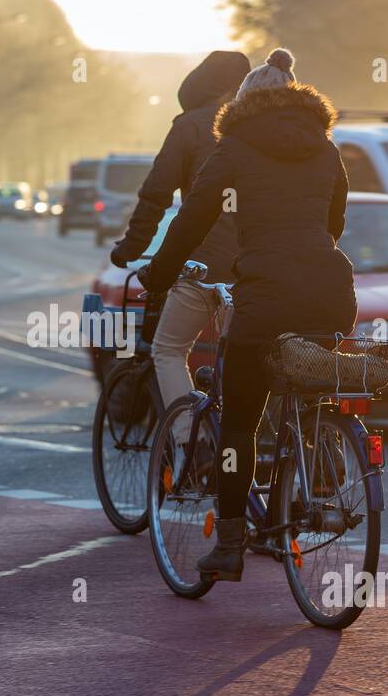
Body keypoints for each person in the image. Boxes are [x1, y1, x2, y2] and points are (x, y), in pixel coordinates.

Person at [139, 49, 357, 582]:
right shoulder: (325, 148)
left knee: (240, 420)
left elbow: (192, 219)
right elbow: (336, 222)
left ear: (242, 102)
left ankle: (231, 543)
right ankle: (314, 473)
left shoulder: (234, 148)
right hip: (330, 289)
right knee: (302, 378)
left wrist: (159, 274)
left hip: (264, 295)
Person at [108, 50, 251, 407]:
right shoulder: (263, 128)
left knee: (169, 349)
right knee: (250, 353)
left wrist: (130, 247)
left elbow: (157, 193)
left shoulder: (190, 126)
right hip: (261, 265)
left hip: (207, 263)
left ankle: (189, 441)